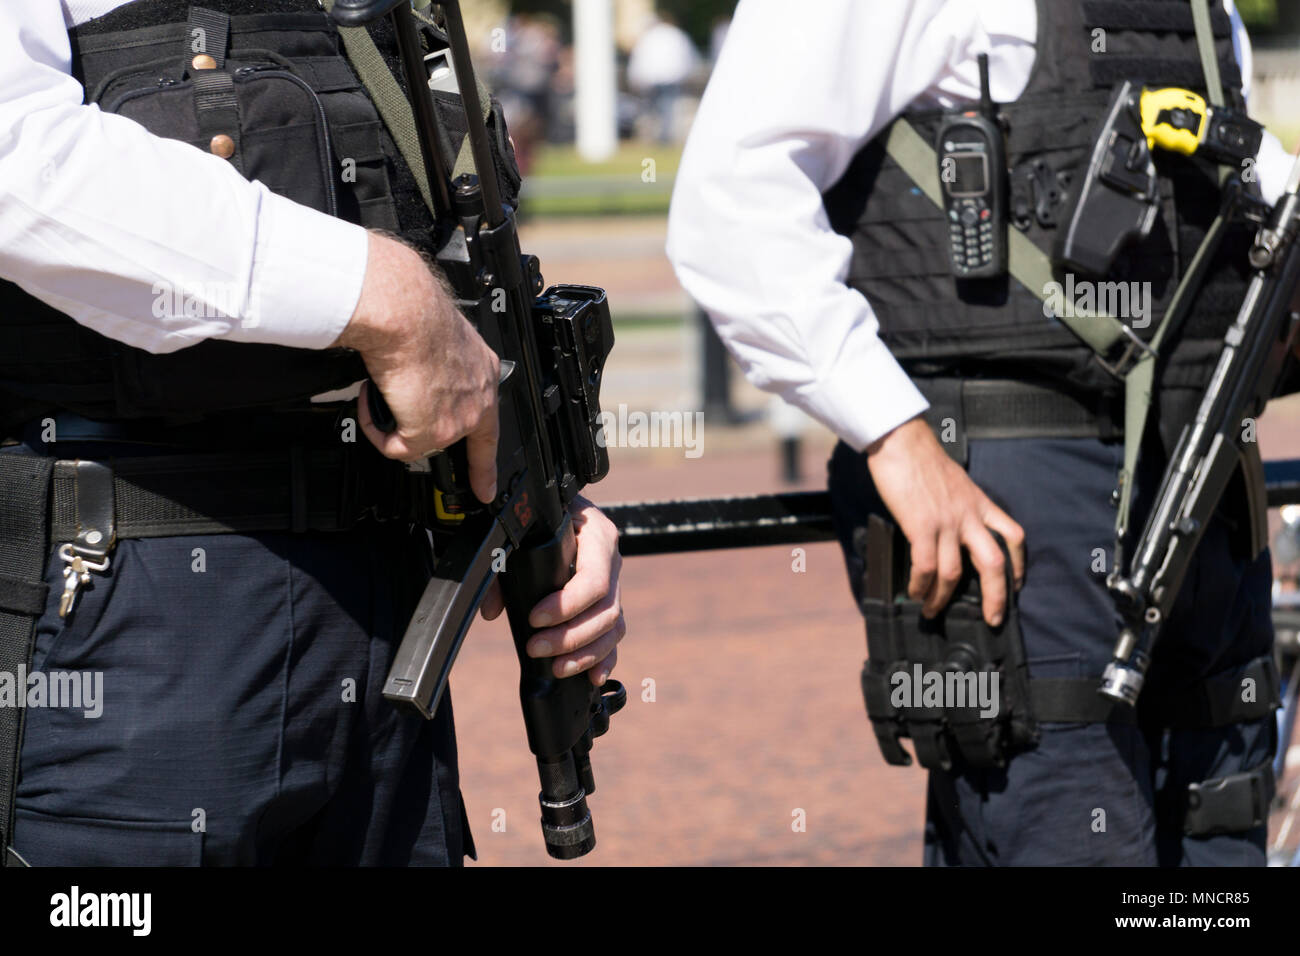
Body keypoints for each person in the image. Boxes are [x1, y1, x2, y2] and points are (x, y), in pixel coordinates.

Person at [668, 0, 1296, 866]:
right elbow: (730, 200)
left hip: (1205, 493)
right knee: (1069, 835)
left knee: (1223, 850)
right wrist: (893, 433)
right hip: (1014, 496)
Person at [0, 0, 626, 866]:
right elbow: (14, 155)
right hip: (132, 602)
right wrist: (384, 298)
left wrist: (537, 494)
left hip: (382, 616)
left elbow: (446, 235)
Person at [626, 11, 701, 145]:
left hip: (653, 79)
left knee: (654, 109)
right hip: (672, 77)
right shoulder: (676, 34)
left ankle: (658, 137)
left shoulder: (648, 37)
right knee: (668, 108)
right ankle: (664, 136)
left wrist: (635, 78)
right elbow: (689, 56)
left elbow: (639, 60)